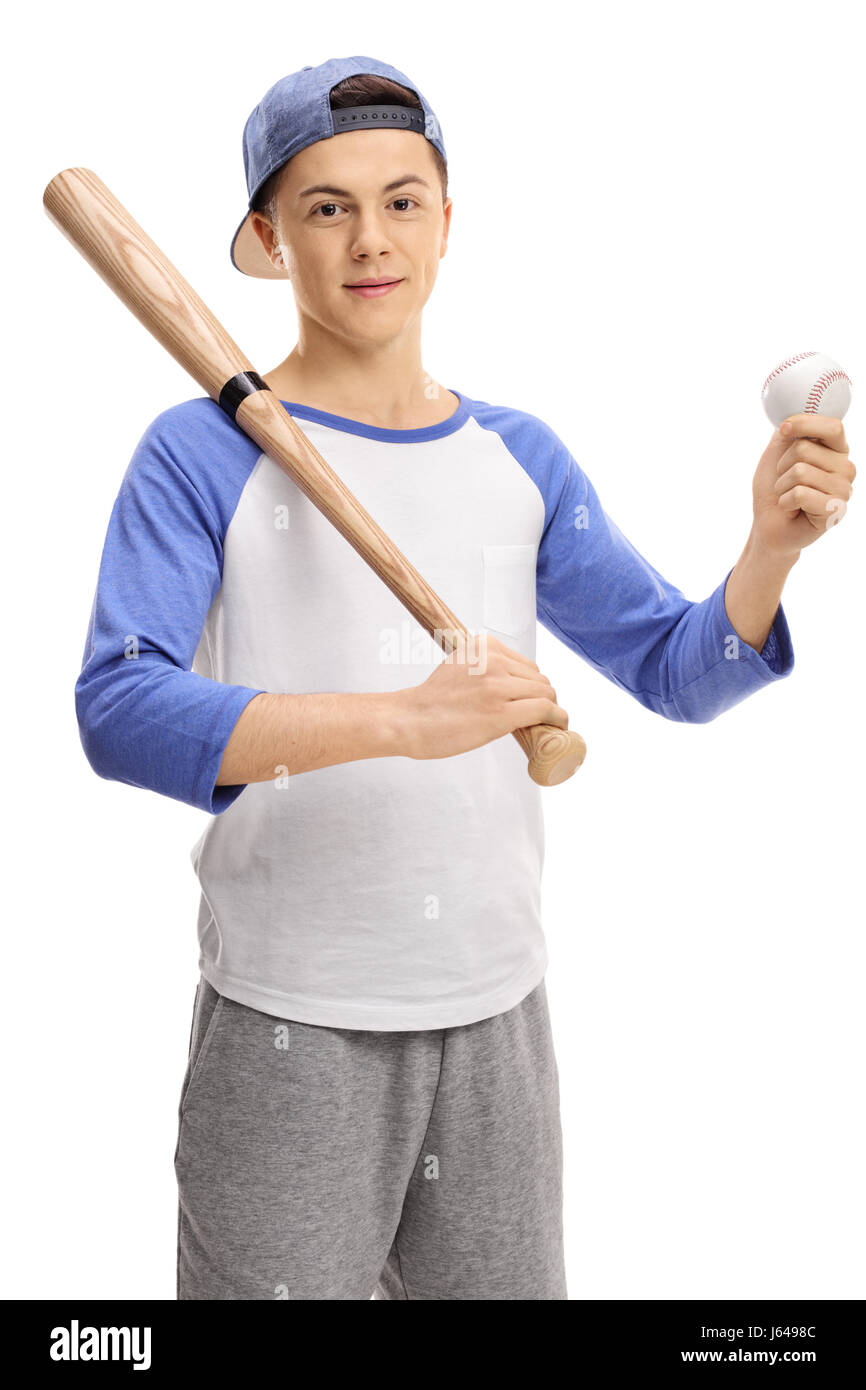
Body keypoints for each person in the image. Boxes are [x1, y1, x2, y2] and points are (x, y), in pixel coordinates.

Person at [74, 55, 853, 1301]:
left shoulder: (518, 457)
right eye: (325, 207)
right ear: (270, 240)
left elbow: (676, 668)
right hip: (290, 1019)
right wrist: (398, 722)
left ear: (448, 224)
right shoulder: (199, 450)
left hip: (497, 1017)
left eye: (401, 199)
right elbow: (119, 710)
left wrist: (766, 548)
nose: (369, 239)